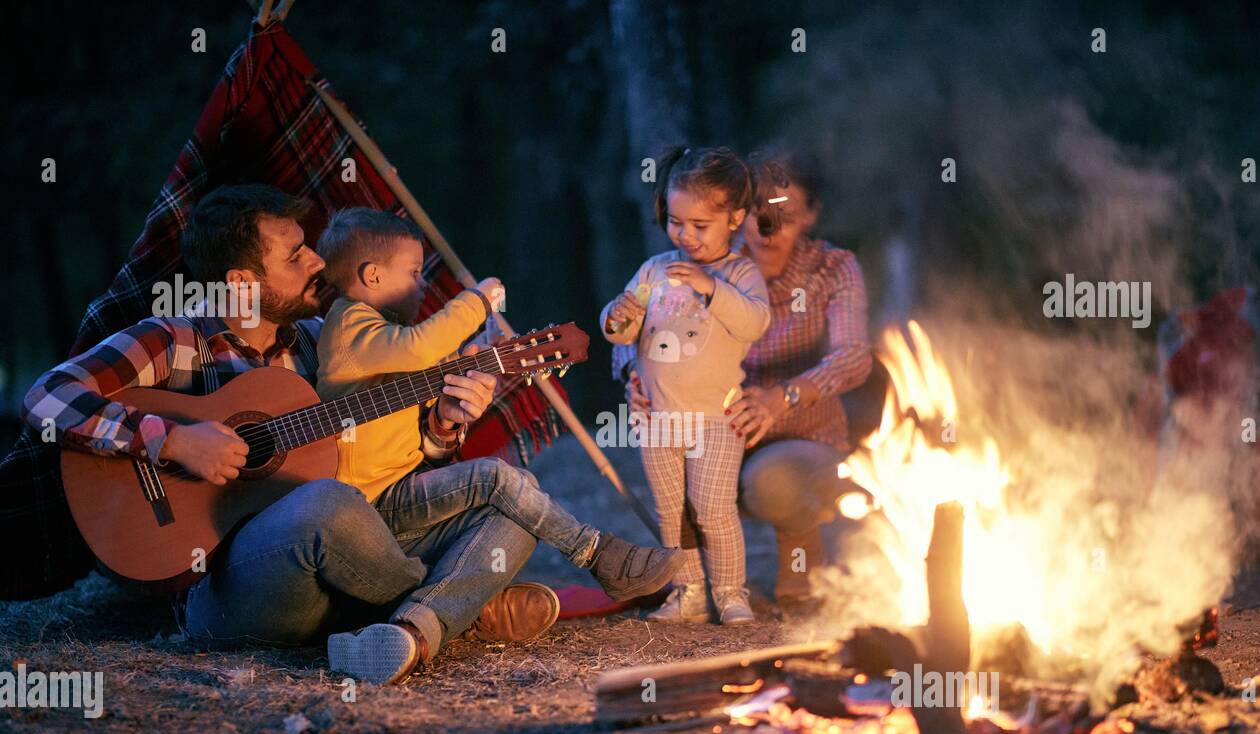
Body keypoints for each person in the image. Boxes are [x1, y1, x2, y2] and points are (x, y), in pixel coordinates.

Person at [24, 185, 676, 687]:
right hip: (241, 592)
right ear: (242, 284)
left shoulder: (322, 340)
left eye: (310, 246)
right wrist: (171, 440)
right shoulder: (176, 340)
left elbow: (380, 454)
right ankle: (464, 605)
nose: (318, 261)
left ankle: (411, 631)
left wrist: (445, 425)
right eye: (295, 255)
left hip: (354, 556)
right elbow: (46, 398)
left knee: (512, 501)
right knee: (322, 504)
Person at [312, 208, 683, 677]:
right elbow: (418, 348)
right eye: (412, 273)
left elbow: (419, 370)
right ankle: (598, 554)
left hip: (396, 499)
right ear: (372, 275)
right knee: (496, 478)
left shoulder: (381, 339)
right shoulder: (349, 324)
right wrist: (476, 300)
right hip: (357, 510)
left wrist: (472, 367)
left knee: (518, 504)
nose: (422, 284)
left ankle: (408, 634)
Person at [616, 151, 871, 604]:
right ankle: (691, 590)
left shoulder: (832, 270)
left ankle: (799, 557)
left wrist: (782, 397)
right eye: (759, 216)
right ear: (737, 215)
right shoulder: (703, 259)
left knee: (774, 484)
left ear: (811, 214)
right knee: (677, 491)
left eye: (785, 217)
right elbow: (644, 320)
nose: (766, 232)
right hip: (709, 421)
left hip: (800, 432)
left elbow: (853, 357)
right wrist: (634, 372)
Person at [601, 147, 771, 625]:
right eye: (677, 222)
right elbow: (621, 331)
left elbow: (755, 320)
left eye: (701, 225)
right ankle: (688, 592)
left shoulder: (738, 274)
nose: (686, 235)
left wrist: (709, 286)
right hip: (656, 416)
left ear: (735, 218)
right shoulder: (654, 270)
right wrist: (616, 317)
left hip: (716, 417)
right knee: (671, 511)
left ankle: (732, 592)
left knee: (713, 508)